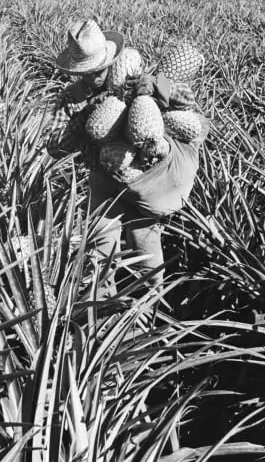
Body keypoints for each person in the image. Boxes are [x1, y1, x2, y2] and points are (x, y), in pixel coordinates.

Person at [45, 18, 207, 297]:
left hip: (143, 180)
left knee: (148, 258)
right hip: (104, 181)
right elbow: (54, 146)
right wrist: (83, 124)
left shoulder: (132, 75)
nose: (92, 77)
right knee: (98, 253)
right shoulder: (72, 97)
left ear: (111, 60)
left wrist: (156, 89)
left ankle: (146, 317)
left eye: (97, 70)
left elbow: (187, 101)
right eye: (85, 72)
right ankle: (101, 309)